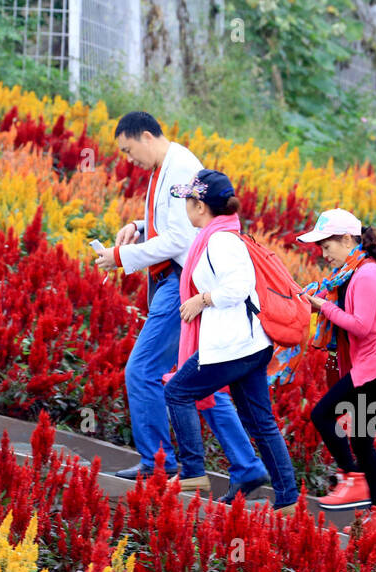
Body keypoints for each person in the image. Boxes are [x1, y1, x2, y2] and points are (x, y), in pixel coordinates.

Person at [99, 111, 269, 500]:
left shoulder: (181, 168)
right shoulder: (165, 166)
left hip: (180, 284)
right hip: (174, 282)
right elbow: (171, 222)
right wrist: (139, 227)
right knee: (198, 379)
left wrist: (122, 255)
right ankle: (246, 466)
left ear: (145, 136)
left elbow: (180, 240)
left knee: (142, 370)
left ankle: (158, 463)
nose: (129, 160)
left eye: (128, 150)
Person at [161, 168, 299, 514]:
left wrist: (202, 299)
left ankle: (192, 471)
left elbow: (237, 287)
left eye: (188, 202)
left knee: (177, 392)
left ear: (201, 206)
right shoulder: (220, 235)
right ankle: (287, 498)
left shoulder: (220, 241)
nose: (186, 208)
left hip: (232, 345)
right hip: (248, 344)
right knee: (260, 421)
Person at [298, 209, 376, 540]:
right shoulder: (350, 273)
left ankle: (353, 478)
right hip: (373, 363)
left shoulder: (368, 274)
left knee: (322, 414)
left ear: (347, 240)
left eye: (327, 246)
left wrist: (323, 307)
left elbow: (361, 325)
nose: (324, 254)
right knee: (361, 439)